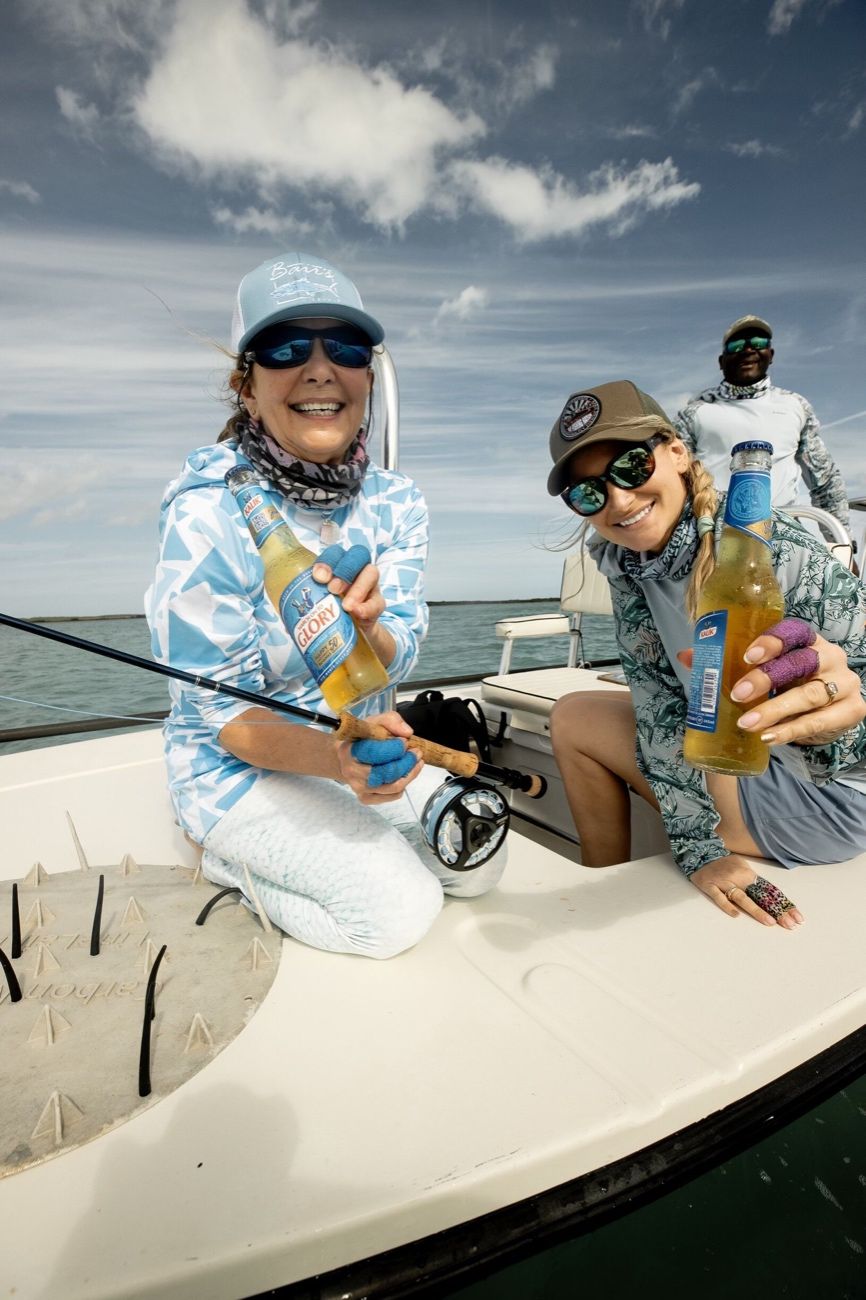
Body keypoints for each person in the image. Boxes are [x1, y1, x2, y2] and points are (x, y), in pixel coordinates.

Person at [145, 252, 504, 958]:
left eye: (344, 346)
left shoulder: (397, 502)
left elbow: (400, 635)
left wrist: (371, 635)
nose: (317, 368)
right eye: (283, 348)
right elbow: (223, 717)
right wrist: (335, 762)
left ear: (366, 376)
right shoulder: (207, 511)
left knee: (479, 864)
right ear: (246, 388)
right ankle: (217, 855)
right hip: (238, 768)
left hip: (363, 750)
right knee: (400, 913)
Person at [545, 380, 866, 929]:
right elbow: (658, 707)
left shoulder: (777, 551)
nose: (618, 500)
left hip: (832, 794)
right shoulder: (628, 566)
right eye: (588, 493)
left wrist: (825, 727)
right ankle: (605, 887)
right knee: (574, 715)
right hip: (743, 759)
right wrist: (698, 846)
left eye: (630, 467)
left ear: (677, 453)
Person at [674, 315, 851, 536]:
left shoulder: (795, 405)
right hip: (709, 536)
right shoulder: (694, 413)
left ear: (771, 355)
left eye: (759, 343)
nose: (748, 350)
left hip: (782, 537)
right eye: (736, 345)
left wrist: (841, 542)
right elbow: (674, 481)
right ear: (721, 361)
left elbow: (824, 484)